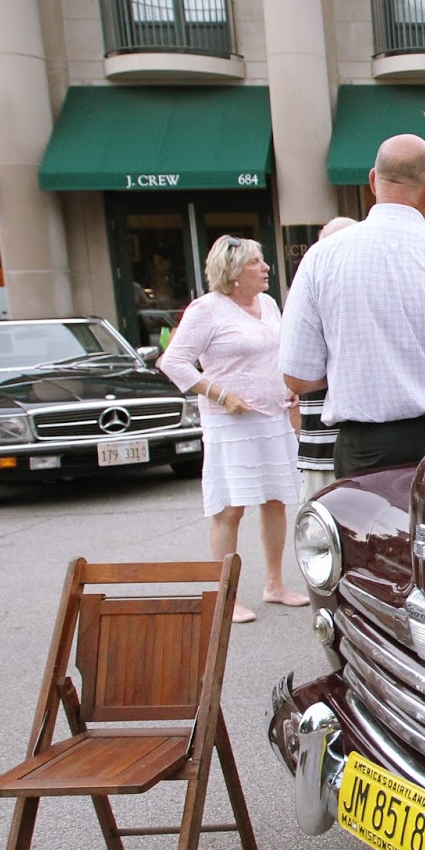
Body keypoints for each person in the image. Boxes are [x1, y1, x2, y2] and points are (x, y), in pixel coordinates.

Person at [279, 134, 425, 477]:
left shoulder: (321, 259)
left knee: (366, 530)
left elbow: (298, 377)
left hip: (366, 446)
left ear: (374, 181)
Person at [160, 235, 309, 623]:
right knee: (231, 508)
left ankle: (274, 584)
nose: (265, 268)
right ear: (233, 272)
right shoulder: (206, 310)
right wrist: (220, 394)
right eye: (256, 263)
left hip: (272, 414)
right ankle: (226, 596)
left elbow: (277, 353)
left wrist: (289, 387)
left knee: (276, 500)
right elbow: (173, 362)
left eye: (263, 261)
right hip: (231, 421)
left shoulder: (270, 303)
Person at [295, 215, 357, 498]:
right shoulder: (309, 294)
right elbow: (298, 373)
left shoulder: (371, 293)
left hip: (367, 448)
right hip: (320, 447)